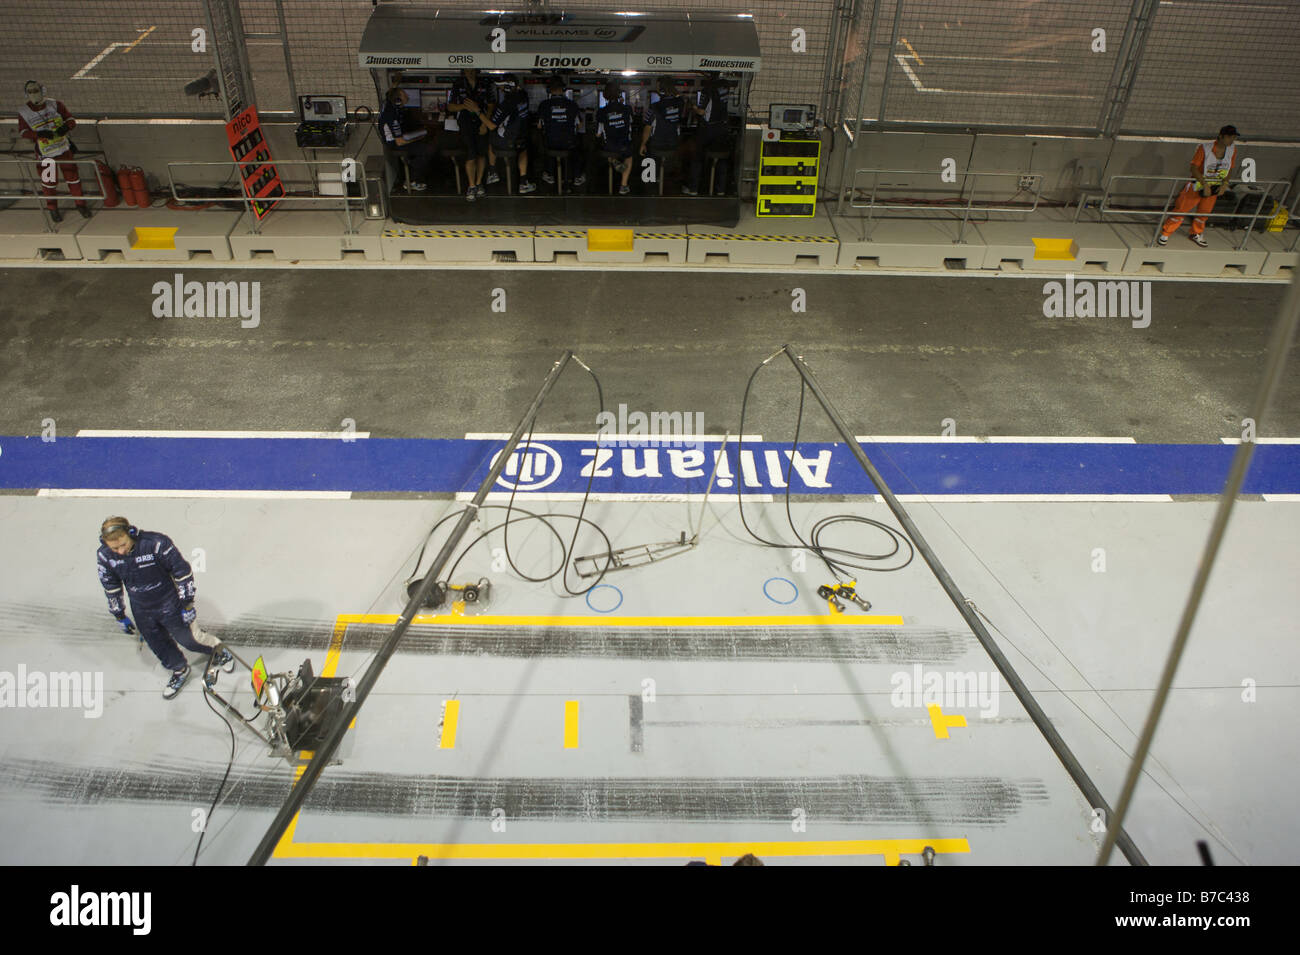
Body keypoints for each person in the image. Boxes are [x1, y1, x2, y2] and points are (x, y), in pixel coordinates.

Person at [96, 517, 233, 700]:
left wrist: (187, 604)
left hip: (170, 602)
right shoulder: (105, 555)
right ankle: (179, 670)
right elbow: (110, 586)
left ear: (130, 534)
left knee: (190, 639)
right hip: (141, 609)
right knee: (158, 645)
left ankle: (219, 650)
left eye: (123, 545)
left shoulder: (156, 544)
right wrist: (119, 615)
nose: (120, 551)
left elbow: (182, 573)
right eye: (115, 548)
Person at [17, 80, 91, 222]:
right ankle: (52, 209)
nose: (34, 94)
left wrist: (66, 127)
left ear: (42, 90)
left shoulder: (55, 104)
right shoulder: (24, 112)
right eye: (30, 92)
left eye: (36, 90)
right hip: (46, 155)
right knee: (49, 182)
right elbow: (23, 132)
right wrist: (39, 134)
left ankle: (80, 205)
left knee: (73, 179)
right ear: (26, 94)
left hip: (63, 149)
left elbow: (70, 120)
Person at [1158, 125, 1239, 248]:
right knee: (1181, 209)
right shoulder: (1205, 148)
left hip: (1215, 186)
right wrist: (1204, 184)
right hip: (1196, 185)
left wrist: (1224, 184)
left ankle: (1196, 233)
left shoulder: (1232, 150)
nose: (1232, 140)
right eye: (1229, 137)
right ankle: (1166, 232)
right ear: (1221, 136)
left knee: (1204, 212)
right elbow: (1194, 168)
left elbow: (1230, 169)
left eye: (1233, 137)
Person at [483, 75, 536, 194]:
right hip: (521, 139)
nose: (500, 90)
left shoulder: (506, 104)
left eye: (501, 87)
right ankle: (523, 182)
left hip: (507, 141)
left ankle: (492, 172)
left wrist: (478, 112)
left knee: (491, 137)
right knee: (523, 150)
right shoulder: (523, 96)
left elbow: (491, 125)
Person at [447, 68, 492, 201]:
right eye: (467, 70)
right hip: (466, 123)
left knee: (481, 153)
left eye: (472, 70)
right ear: (464, 71)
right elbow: (450, 106)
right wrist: (466, 107)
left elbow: (491, 105)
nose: (470, 72)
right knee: (471, 154)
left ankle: (479, 183)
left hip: (481, 121)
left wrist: (485, 124)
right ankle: (471, 186)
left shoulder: (485, 83)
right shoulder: (458, 84)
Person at [378, 87, 434, 192]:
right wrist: (418, 138)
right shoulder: (392, 114)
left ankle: (414, 171)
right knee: (428, 149)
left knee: (424, 140)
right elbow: (400, 142)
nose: (407, 97)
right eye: (405, 95)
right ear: (398, 100)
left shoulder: (391, 106)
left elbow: (389, 93)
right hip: (394, 144)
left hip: (398, 140)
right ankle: (411, 180)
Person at [537, 76, 586, 190]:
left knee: (547, 146)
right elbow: (579, 126)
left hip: (550, 143)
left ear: (549, 90)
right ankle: (577, 176)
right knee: (578, 149)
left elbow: (539, 126)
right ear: (563, 89)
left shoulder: (543, 105)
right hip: (569, 143)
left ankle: (549, 174)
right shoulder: (572, 104)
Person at [686, 75, 731, 196]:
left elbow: (701, 111)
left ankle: (693, 189)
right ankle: (720, 190)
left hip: (709, 128)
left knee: (697, 157)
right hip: (722, 127)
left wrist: (692, 107)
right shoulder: (725, 88)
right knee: (721, 159)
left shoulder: (708, 90)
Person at [640, 76, 685, 191]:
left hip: (657, 145)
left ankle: (649, 183)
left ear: (661, 88)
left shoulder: (655, 107)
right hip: (673, 144)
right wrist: (673, 90)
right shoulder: (679, 103)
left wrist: (642, 144)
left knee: (648, 153)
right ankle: (663, 178)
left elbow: (647, 128)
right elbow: (680, 97)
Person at [596, 82, 635, 195]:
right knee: (629, 156)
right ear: (619, 95)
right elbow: (630, 125)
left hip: (609, 146)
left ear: (604, 95)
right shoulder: (627, 109)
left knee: (606, 148)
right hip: (624, 145)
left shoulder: (602, 111)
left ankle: (613, 160)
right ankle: (623, 185)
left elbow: (598, 134)